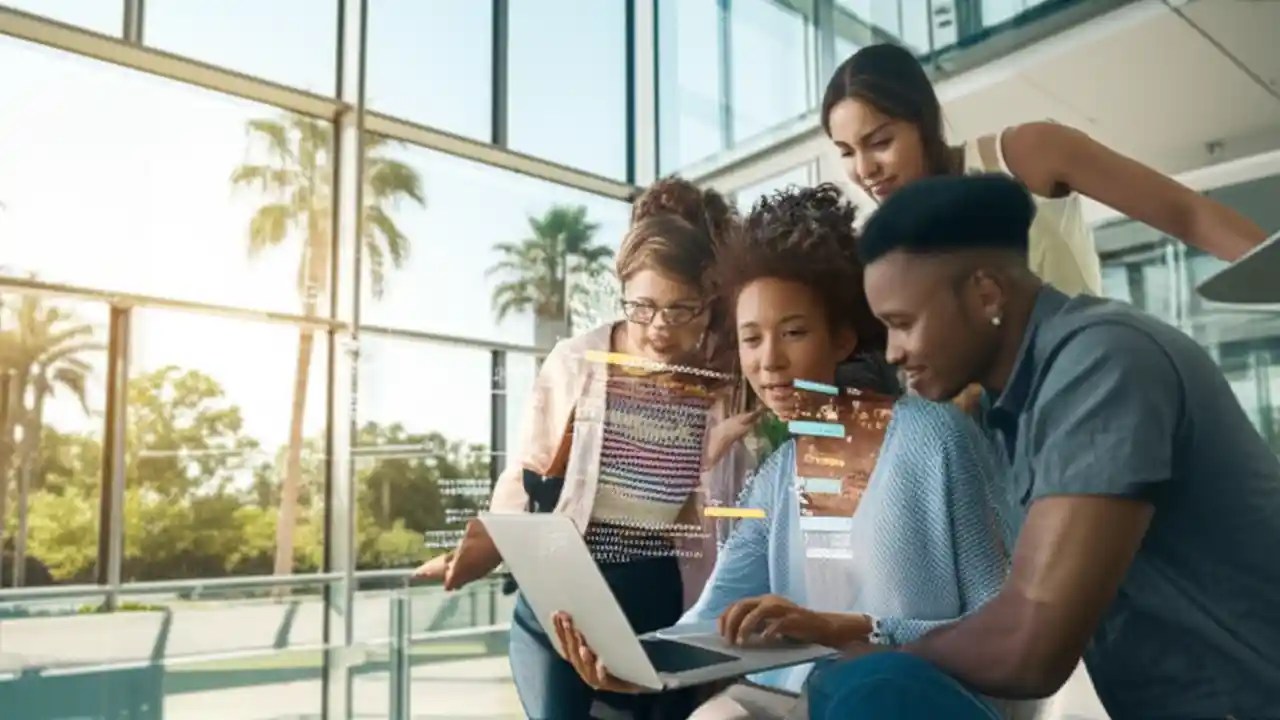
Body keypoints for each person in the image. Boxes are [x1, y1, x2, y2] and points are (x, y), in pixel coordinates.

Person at [553, 184, 1034, 719]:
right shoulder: (777, 478)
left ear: (843, 338)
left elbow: (1006, 625)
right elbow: (713, 617)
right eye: (751, 339)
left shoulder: (937, 440)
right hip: (794, 702)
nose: (769, 362)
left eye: (794, 332)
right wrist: (636, 665)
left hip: (910, 696)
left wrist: (847, 629)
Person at [810, 173, 1280, 719]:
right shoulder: (1012, 404)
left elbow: (1030, 644)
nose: (892, 352)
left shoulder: (1104, 364)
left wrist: (885, 658)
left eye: (902, 324)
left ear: (986, 293)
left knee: (866, 689)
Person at [413, 177, 758, 719]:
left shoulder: (723, 384)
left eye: (680, 309)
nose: (659, 327)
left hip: (657, 599)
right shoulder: (578, 361)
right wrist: (485, 544)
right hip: (564, 593)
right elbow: (528, 469)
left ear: (707, 301)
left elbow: (724, 519)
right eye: (642, 307)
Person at [823, 43, 1269, 296]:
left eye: (880, 142)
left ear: (922, 121)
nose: (865, 169)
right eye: (846, 152)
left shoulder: (1024, 154)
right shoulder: (892, 249)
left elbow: (1183, 212)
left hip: (1100, 399)